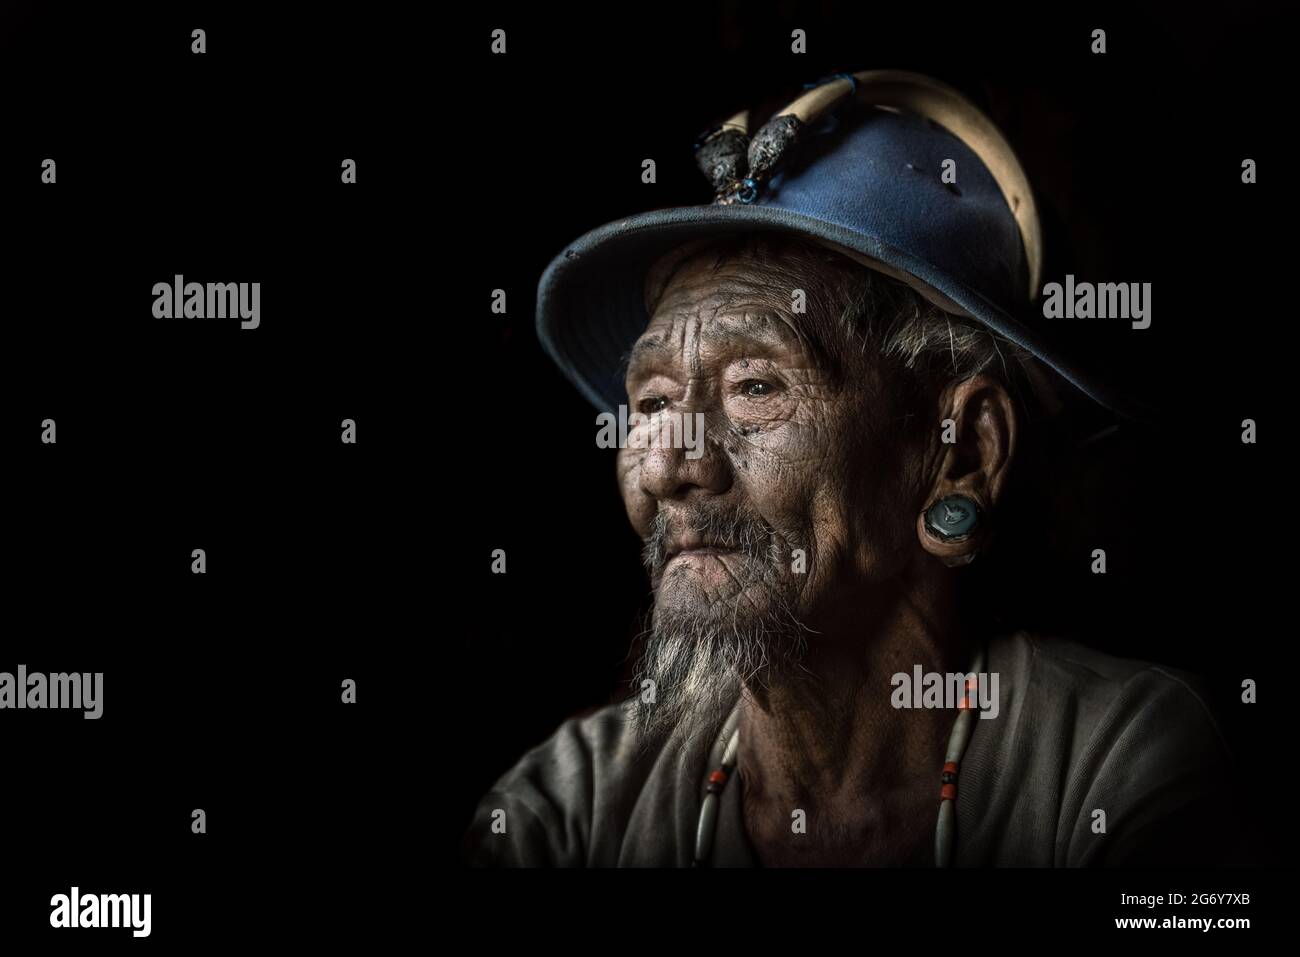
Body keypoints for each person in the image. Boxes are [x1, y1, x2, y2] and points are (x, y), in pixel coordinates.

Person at [464, 71, 1241, 867]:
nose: (667, 467)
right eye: (654, 401)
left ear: (962, 453)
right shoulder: (571, 811)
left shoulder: (1120, 768)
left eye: (755, 386)